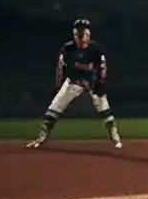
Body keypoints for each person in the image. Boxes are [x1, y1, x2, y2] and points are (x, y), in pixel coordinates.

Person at [25, 18, 122, 149]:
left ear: (89, 34)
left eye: (85, 33)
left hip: (91, 82)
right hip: (73, 81)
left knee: (103, 107)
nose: (82, 37)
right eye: (79, 33)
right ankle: (42, 137)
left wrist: (100, 82)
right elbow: (61, 69)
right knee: (55, 106)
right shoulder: (68, 49)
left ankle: (114, 136)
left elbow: (102, 68)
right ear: (75, 34)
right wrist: (58, 86)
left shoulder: (95, 50)